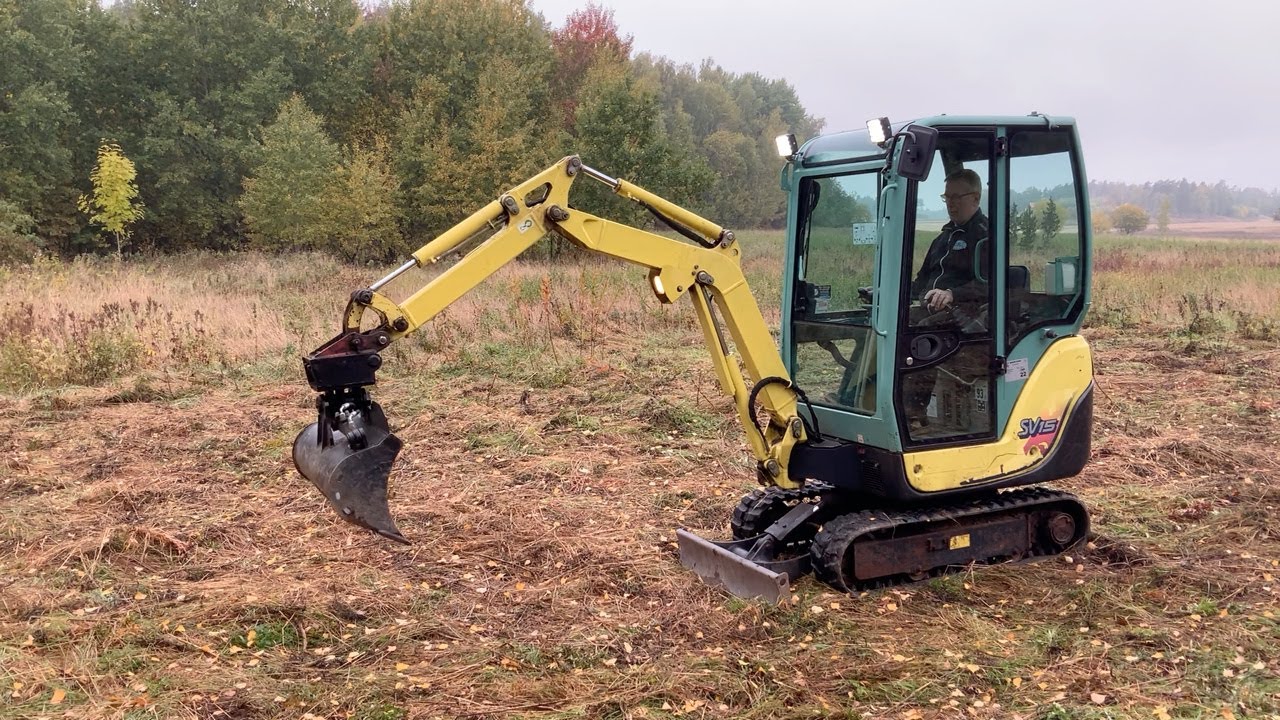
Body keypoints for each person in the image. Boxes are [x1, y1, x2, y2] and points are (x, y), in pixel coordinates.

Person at [910, 169, 989, 315]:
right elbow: (921, 283)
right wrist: (887, 292)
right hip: (931, 310)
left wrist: (951, 294)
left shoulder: (987, 237)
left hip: (965, 315)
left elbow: (990, 285)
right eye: (947, 197)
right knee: (883, 318)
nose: (950, 204)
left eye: (956, 197)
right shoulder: (942, 239)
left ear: (976, 198)